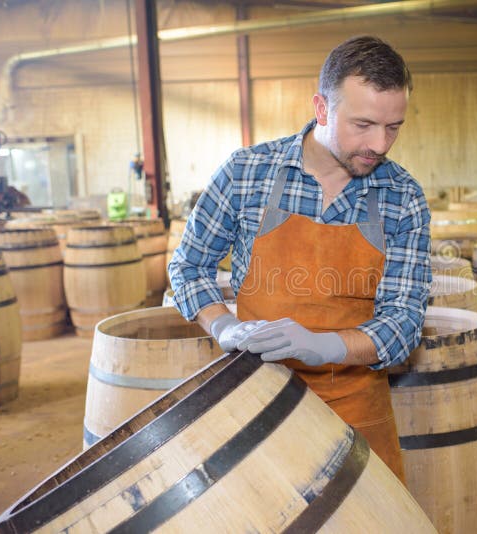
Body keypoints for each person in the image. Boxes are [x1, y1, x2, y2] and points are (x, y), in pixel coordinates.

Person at [168, 35, 431, 481]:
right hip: (259, 403)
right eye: (363, 124)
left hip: (357, 412)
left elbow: (404, 321)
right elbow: (189, 267)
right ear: (322, 108)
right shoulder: (246, 173)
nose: (380, 145)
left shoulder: (402, 197)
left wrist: (325, 346)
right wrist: (223, 325)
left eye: (394, 127)